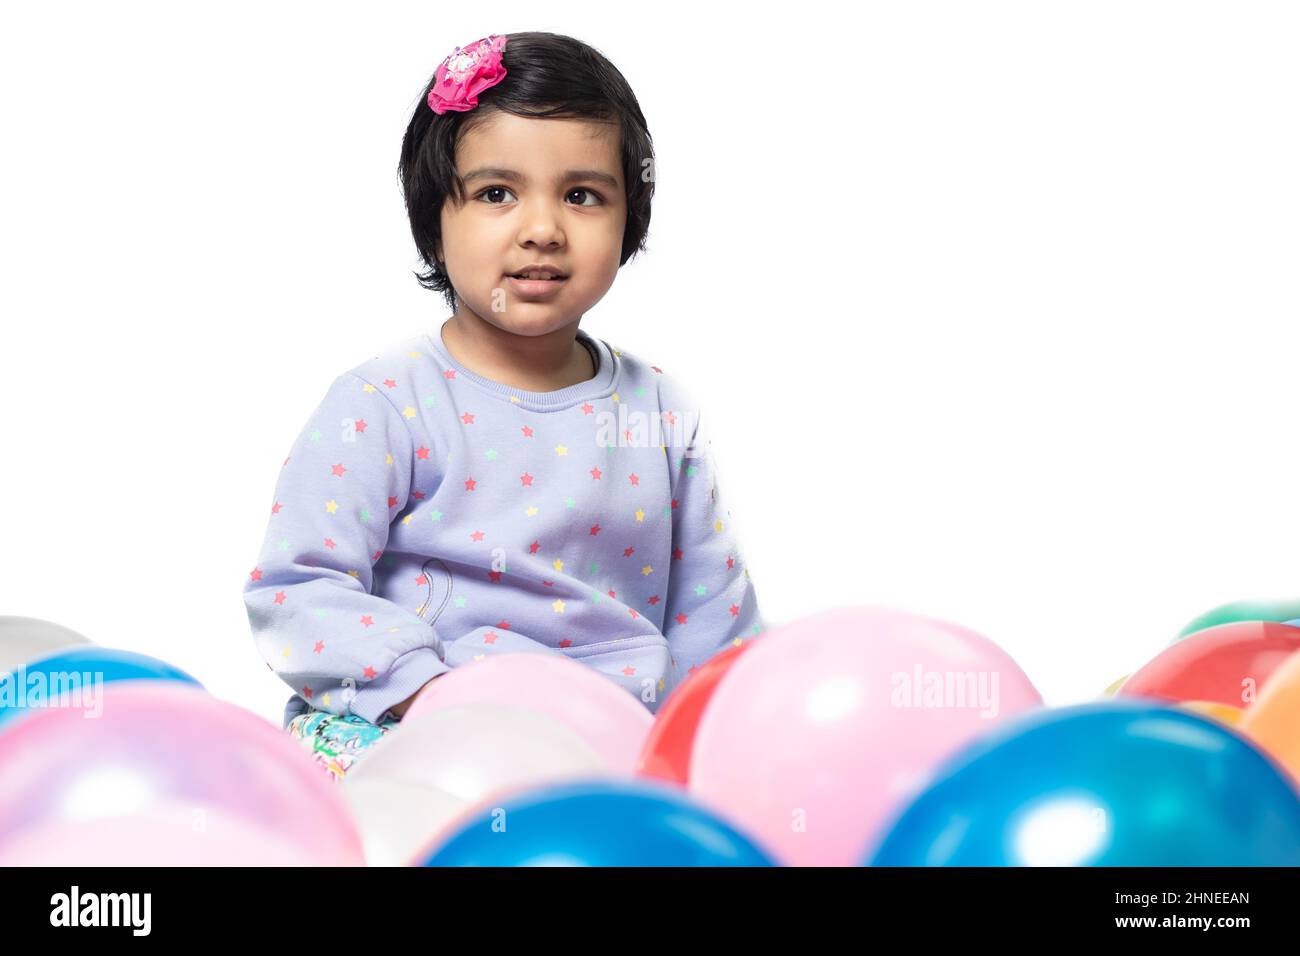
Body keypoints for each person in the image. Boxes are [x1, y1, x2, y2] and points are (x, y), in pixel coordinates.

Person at [241, 31, 765, 780]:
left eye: (582, 195)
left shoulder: (656, 409)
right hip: (417, 722)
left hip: (608, 737)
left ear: (629, 219)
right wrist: (421, 694)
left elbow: (713, 618)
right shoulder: (385, 403)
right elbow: (297, 588)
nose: (543, 229)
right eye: (496, 193)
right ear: (435, 217)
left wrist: (713, 733)